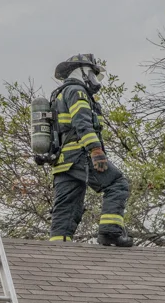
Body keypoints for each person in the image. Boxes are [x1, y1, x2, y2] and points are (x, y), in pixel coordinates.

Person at [48, 54, 132, 247]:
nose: (95, 80)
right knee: (117, 184)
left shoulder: (60, 94)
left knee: (67, 206)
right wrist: (95, 150)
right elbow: (82, 122)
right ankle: (110, 233)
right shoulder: (77, 91)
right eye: (93, 74)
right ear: (83, 71)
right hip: (80, 155)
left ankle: (57, 248)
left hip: (63, 162)